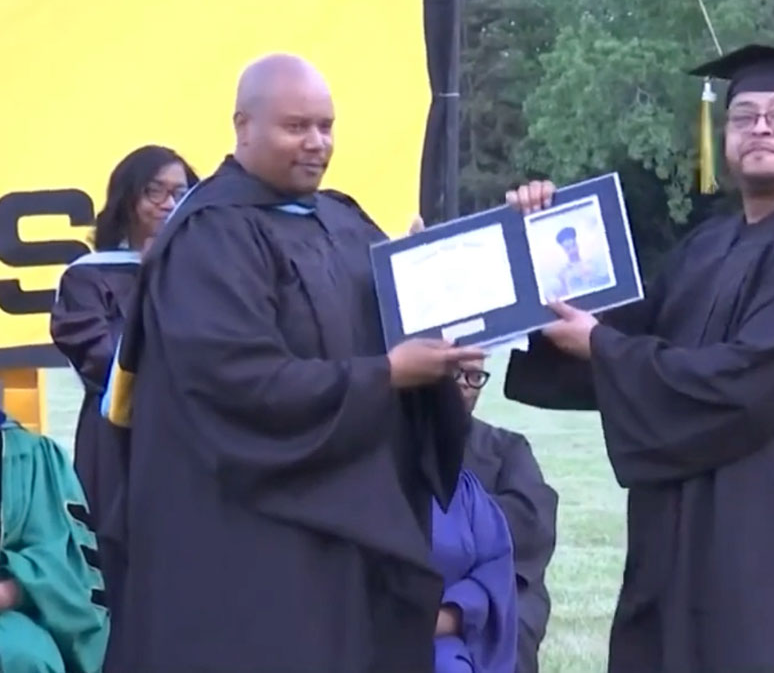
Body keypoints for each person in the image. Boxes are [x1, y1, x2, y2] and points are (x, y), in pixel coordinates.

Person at [98, 53, 485, 673]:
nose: (317, 143)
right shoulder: (209, 237)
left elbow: (403, 318)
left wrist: (441, 291)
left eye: (327, 126)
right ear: (242, 125)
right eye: (296, 127)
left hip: (350, 523)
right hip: (252, 537)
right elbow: (238, 382)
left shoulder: (345, 220)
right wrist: (387, 375)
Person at [502, 44, 774, 672]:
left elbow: (744, 383)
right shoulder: (709, 244)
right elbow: (615, 330)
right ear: (724, 135)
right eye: (744, 116)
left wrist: (601, 345)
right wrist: (531, 241)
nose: (760, 127)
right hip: (674, 541)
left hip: (770, 550)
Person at [48, 144, 197, 614]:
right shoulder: (87, 280)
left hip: (195, 439)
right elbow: (101, 357)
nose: (170, 203)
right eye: (156, 191)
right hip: (118, 441)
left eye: (181, 192)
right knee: (123, 580)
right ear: (127, 198)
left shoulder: (205, 272)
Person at [457, 360, 558, 673]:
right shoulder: (387, 445)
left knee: (506, 623)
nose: (464, 385)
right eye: (454, 373)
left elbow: (531, 524)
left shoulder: (506, 449)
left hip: (501, 584)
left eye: (474, 376)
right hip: (410, 584)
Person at [1, 405, 109, 673]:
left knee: (22, 652)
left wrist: (11, 590)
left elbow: (68, 569)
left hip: (9, 626)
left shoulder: (32, 459)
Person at [431, 467, 518, 673]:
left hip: (444, 641)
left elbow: (493, 571)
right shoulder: (352, 488)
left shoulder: (463, 491)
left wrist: (452, 615)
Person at [544, 225, 612, 302]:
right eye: (568, 248)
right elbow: (564, 297)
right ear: (564, 250)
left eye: (573, 245)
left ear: (577, 245)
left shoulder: (592, 264)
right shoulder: (563, 274)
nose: (572, 250)